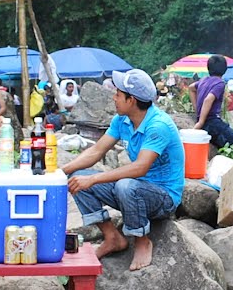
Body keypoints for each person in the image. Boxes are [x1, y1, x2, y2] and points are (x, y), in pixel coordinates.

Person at [60, 69, 182, 272]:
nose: (114, 98)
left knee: (125, 185)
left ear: (131, 100)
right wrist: (61, 171)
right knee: (77, 180)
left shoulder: (158, 125)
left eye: (117, 94)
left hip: (163, 198)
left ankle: (142, 241)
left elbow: (140, 167)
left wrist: (95, 179)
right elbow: (97, 151)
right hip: (134, 191)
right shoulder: (122, 120)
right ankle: (112, 237)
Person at [192, 55, 233, 149]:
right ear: (225, 69)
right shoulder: (219, 83)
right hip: (212, 121)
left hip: (206, 121)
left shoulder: (203, 80)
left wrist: (197, 110)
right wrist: (200, 122)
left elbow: (191, 88)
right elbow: (208, 99)